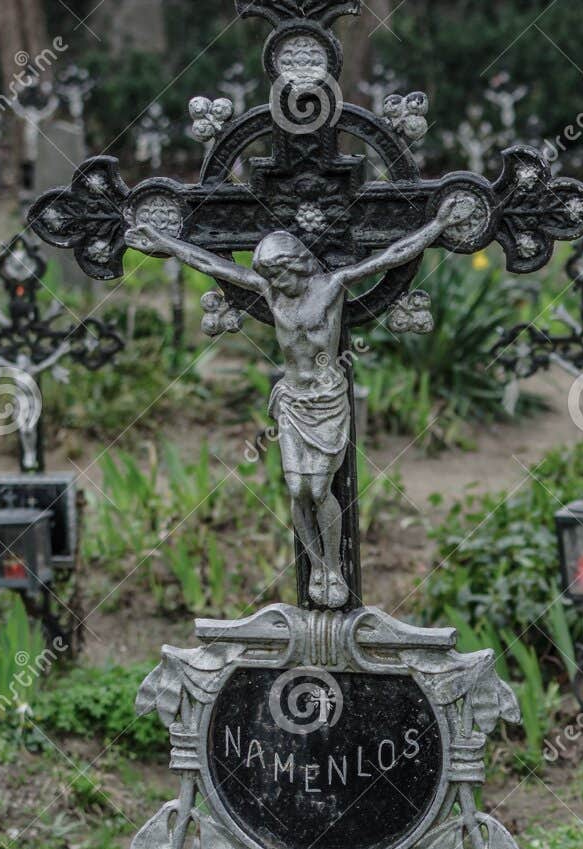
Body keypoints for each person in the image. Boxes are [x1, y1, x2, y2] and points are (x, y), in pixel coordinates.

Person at [126, 192, 478, 608]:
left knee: (319, 487)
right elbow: (211, 263)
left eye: (282, 276)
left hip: (327, 399)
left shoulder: (330, 287)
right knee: (297, 490)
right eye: (270, 278)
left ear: (298, 266)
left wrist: (437, 227)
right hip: (292, 398)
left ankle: (334, 564)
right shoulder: (271, 292)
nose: (277, 285)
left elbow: (388, 257)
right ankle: (318, 567)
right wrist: (164, 242)